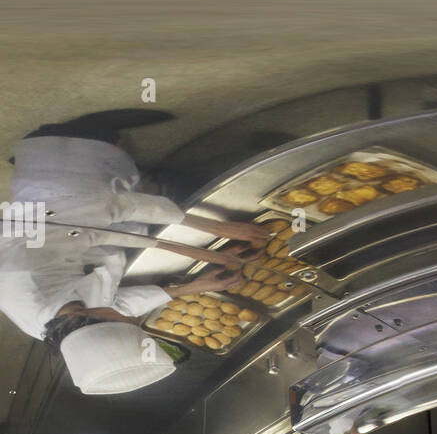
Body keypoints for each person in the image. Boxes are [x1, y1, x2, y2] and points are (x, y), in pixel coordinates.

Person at [3, 111, 269, 393]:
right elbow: (117, 308)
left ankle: (56, 139)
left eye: (125, 322)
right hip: (83, 237)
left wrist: (217, 230)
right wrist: (193, 287)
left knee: (101, 154)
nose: (131, 318)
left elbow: (112, 209)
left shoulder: (25, 273)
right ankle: (65, 151)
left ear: (74, 320)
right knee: (127, 190)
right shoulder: (67, 326)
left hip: (58, 204)